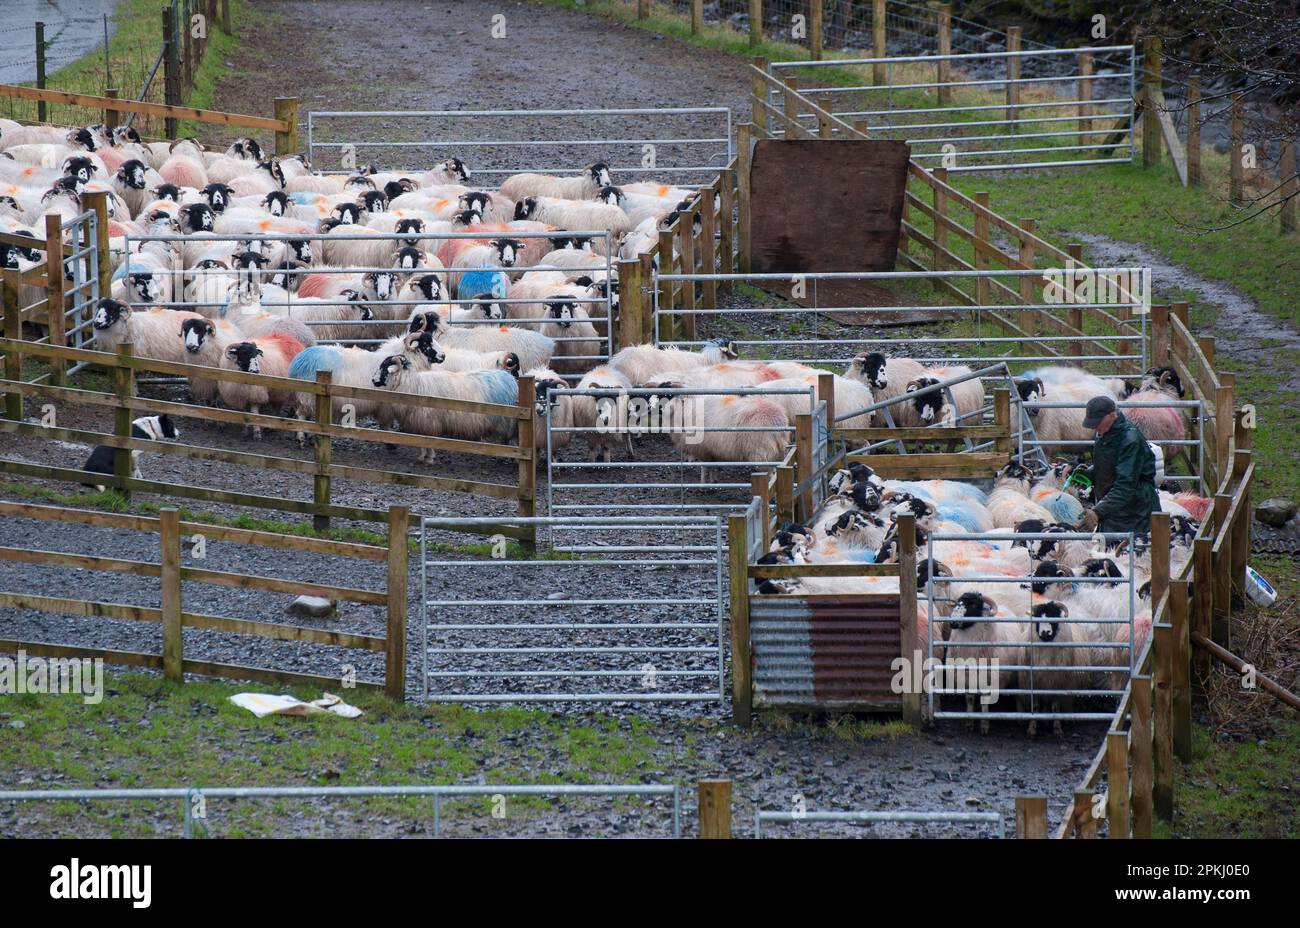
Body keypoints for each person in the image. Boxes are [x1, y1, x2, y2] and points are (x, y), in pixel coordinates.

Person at [1079, 395, 1162, 534]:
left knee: (1129, 552)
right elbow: (1107, 465)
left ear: (1112, 415)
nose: (1095, 426)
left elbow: (1126, 484)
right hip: (1113, 507)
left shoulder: (1130, 440)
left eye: (1098, 422)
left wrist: (1098, 511)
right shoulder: (1104, 434)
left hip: (1134, 512)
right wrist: (1083, 473)